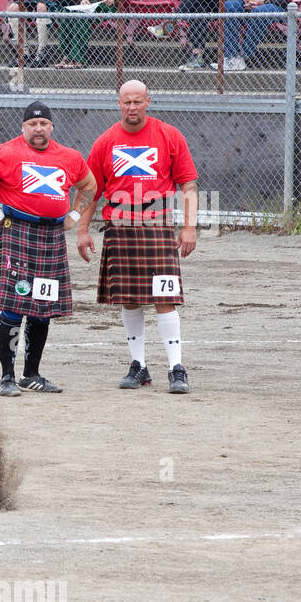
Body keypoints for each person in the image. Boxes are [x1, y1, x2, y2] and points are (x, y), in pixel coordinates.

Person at [0, 101, 96, 396]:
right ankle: (7, 377)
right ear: (23, 127)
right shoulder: (3, 153)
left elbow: (89, 185)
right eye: (33, 124)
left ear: (51, 127)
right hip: (18, 233)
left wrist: (74, 216)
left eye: (44, 124)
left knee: (42, 307)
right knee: (13, 305)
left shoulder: (69, 156)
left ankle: (31, 374)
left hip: (51, 237)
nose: (39, 129)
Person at [76, 80, 198, 394]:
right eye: (126, 102)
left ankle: (176, 367)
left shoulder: (169, 135)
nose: (132, 108)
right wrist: (82, 229)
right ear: (119, 103)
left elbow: (188, 186)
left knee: (164, 297)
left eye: (138, 102)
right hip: (119, 225)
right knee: (129, 299)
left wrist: (189, 227)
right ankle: (139, 365)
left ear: (148, 101)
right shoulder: (106, 142)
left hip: (157, 223)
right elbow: (92, 191)